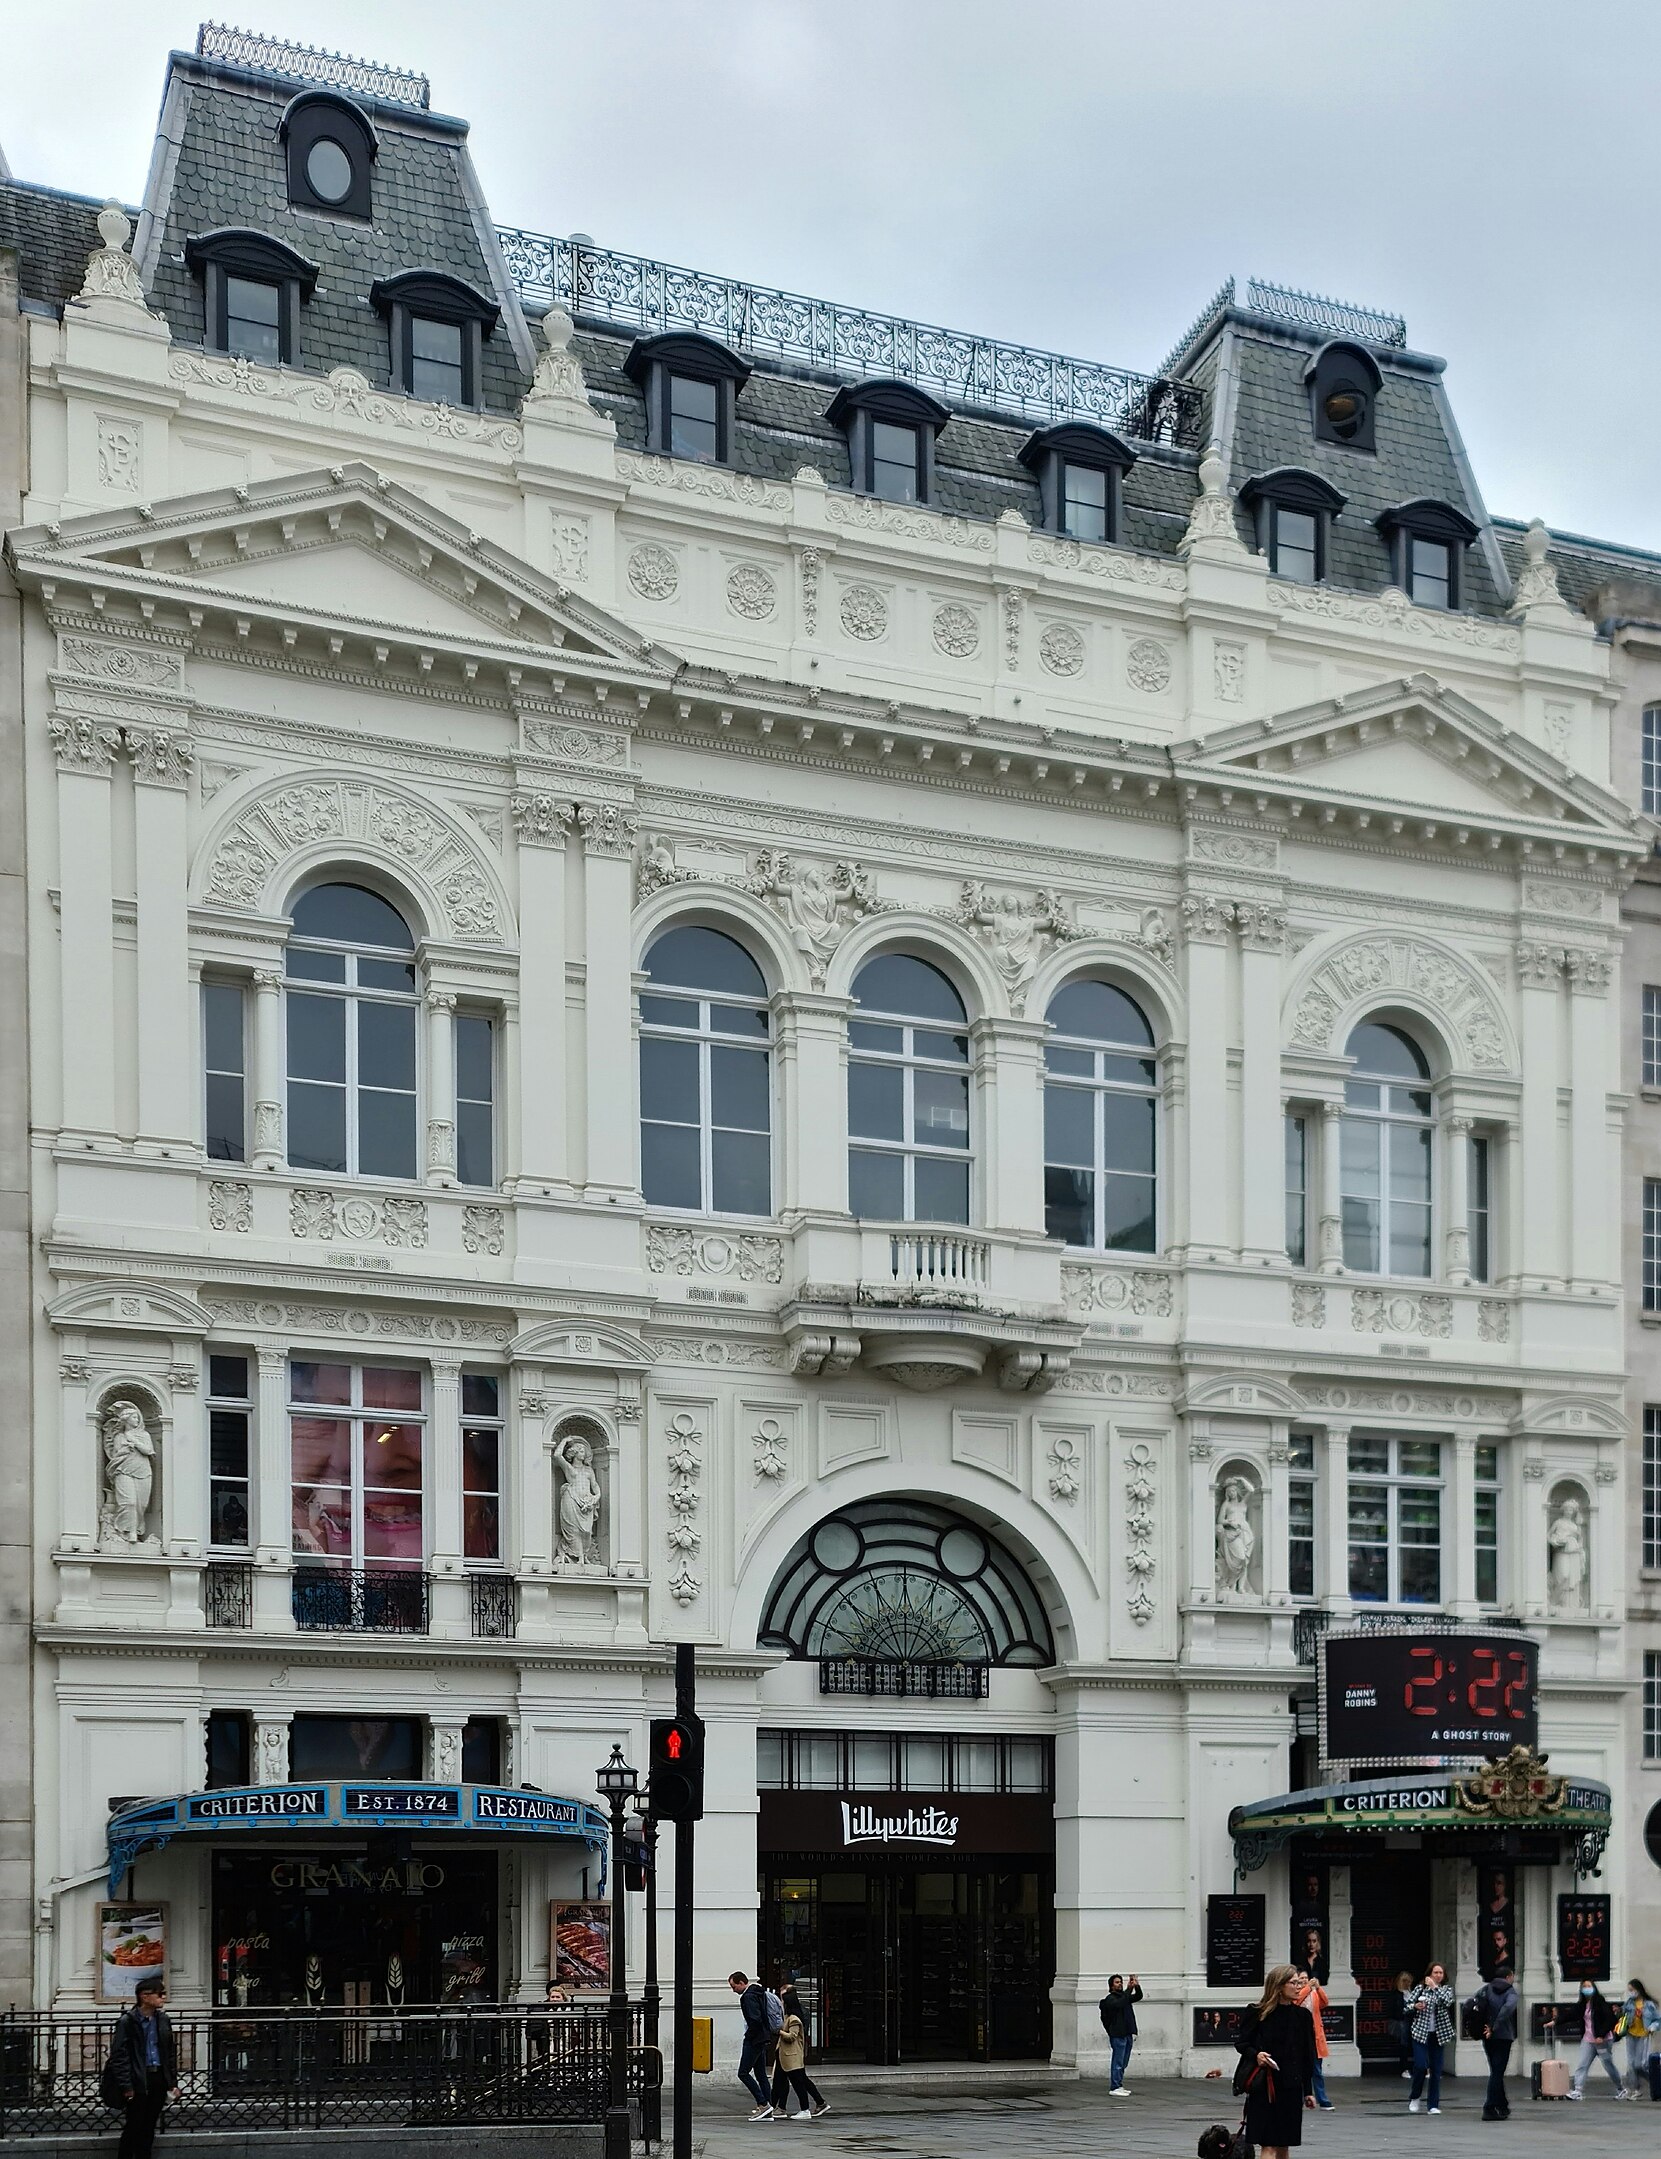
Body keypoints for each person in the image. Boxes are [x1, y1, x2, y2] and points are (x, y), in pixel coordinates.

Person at [1233, 1962, 1316, 2159]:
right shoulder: (1257, 2012)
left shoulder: (1302, 2016)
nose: (1298, 1987)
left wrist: (1308, 2091)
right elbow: (1242, 2043)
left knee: (1284, 2145)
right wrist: (1257, 2055)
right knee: (1268, 2144)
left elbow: (1307, 2055)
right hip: (1265, 2086)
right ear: (1279, 1986)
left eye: (1299, 1983)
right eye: (1293, 1983)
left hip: (1291, 2087)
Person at [106, 1975, 178, 2159]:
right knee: (134, 2125)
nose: (163, 1998)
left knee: (149, 2126)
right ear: (145, 1996)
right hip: (138, 2079)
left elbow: (169, 2052)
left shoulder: (163, 2020)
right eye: (160, 1994)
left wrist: (172, 2082)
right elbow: (119, 2055)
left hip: (157, 2078)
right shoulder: (128, 2022)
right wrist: (127, 2086)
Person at [771, 1982, 828, 2121]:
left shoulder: (795, 2018)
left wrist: (779, 2032)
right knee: (780, 2082)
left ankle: (805, 2108)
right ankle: (774, 2107)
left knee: (799, 2082)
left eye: (783, 1997)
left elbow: (793, 2036)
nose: (781, 2001)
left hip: (792, 2055)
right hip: (784, 2055)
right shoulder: (789, 2016)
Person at [1403, 1961, 1455, 2114]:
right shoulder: (1420, 1989)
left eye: (1440, 1973)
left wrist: (1435, 1988)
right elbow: (1406, 2007)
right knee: (1420, 2066)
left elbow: (1446, 2002)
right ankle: (1415, 2096)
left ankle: (1433, 2105)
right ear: (1429, 1974)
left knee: (1436, 2070)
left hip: (1438, 2034)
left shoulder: (1446, 1989)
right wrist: (1415, 2006)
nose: (1438, 1975)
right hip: (1420, 2032)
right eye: (1435, 1973)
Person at [1562, 1980, 1621, 2098]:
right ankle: (1578, 2090)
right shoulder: (1583, 2005)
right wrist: (1555, 2021)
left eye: (1589, 1986)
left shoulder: (1600, 2002)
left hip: (1602, 2041)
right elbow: (1571, 2015)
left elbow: (1610, 2020)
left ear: (1593, 1988)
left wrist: (1601, 2035)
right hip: (1588, 2039)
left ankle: (1621, 2088)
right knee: (1583, 2064)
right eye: (1584, 1986)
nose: (1586, 1988)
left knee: (1608, 2065)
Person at [1476, 1962, 1519, 2122]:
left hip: (1487, 2035)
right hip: (1503, 2036)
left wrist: (1484, 2026)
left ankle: (1502, 2104)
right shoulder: (1510, 1991)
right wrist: (1495, 2026)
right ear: (1509, 1977)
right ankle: (1489, 2107)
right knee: (1497, 2072)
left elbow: (1475, 2006)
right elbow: (1508, 2009)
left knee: (1495, 2070)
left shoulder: (1485, 1990)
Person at [728, 1970, 773, 2120]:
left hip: (754, 2039)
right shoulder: (758, 1992)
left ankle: (763, 2103)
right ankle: (768, 2107)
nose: (733, 1990)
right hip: (762, 2037)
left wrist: (749, 2036)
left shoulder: (748, 1997)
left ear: (741, 1983)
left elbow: (754, 2019)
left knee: (743, 2073)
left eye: (734, 1986)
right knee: (760, 2074)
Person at [1293, 1962, 1334, 2109]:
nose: (1304, 1980)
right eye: (1301, 1978)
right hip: (1299, 2037)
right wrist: (1307, 1988)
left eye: (1306, 1978)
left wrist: (1318, 1988)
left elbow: (1325, 2002)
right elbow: (1297, 2001)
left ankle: (1322, 2099)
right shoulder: (1295, 1992)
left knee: (1317, 2070)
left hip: (1315, 2037)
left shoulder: (1313, 1993)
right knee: (1300, 2070)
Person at [1098, 1973, 1142, 2095]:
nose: (1120, 1984)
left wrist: (1136, 1986)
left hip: (1127, 2033)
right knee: (1118, 2060)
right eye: (1117, 1982)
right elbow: (1120, 2003)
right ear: (1111, 1986)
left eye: (1121, 1982)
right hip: (1118, 2034)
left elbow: (1138, 1996)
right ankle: (1115, 2086)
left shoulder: (1124, 1996)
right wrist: (1129, 1989)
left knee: (1123, 2061)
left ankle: (1119, 2084)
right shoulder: (1110, 1999)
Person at [1620, 1977, 1660, 2098]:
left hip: (1644, 2035)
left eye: (1632, 1990)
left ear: (1638, 1989)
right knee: (1631, 2064)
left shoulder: (1649, 2004)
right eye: (1629, 1990)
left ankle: (1656, 2080)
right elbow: (1623, 2015)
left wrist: (1653, 2027)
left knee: (1640, 2064)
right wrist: (1619, 2012)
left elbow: (1658, 2020)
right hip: (1631, 2035)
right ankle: (1635, 2089)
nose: (1631, 1992)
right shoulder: (1629, 2003)